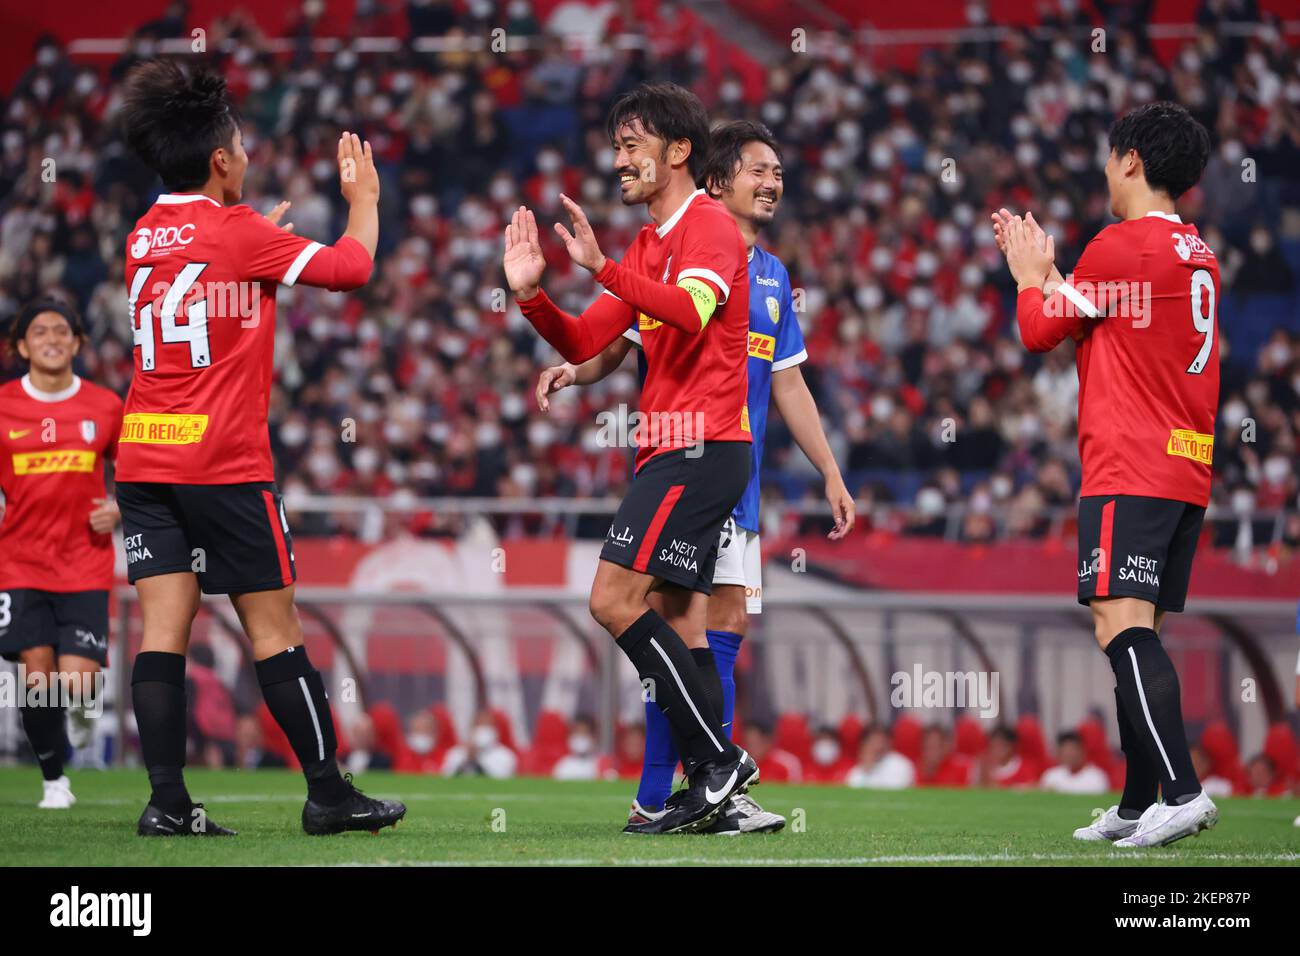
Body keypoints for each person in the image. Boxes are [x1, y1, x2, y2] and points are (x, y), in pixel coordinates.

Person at [536, 120, 854, 833]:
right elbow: (603, 341)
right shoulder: (664, 247)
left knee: (711, 624)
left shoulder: (764, 271)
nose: (772, 183)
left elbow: (786, 381)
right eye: (758, 170)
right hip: (683, 452)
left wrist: (829, 471)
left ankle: (715, 780)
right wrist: (548, 323)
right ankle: (679, 786)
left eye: (778, 172)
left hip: (718, 461)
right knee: (679, 624)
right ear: (715, 177)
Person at [116, 60, 403, 837]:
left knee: (162, 633)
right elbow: (352, 267)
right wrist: (363, 201)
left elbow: (211, 292)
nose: (245, 156)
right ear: (220, 160)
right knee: (275, 629)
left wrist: (257, 251)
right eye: (239, 146)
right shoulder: (238, 231)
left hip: (144, 458)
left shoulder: (145, 234)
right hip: (222, 465)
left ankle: (168, 805)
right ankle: (328, 794)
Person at [504, 82, 756, 833]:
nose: (619, 161)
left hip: (703, 448)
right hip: (668, 451)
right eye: (616, 146)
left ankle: (716, 762)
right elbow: (585, 343)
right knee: (678, 618)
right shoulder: (650, 244)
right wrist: (531, 297)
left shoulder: (708, 225)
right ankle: (720, 791)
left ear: (679, 151)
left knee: (612, 600)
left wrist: (602, 267)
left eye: (632, 145)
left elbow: (692, 310)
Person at [996, 101, 1220, 847]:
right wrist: (1056, 272)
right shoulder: (1195, 253)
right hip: (1185, 469)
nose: (1103, 170)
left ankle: (1183, 791)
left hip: (1131, 463)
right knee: (1138, 626)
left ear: (1130, 160)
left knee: (1118, 624)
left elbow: (1039, 332)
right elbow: (1109, 317)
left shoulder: (1121, 246)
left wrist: (1029, 277)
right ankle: (1136, 802)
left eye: (1108, 156)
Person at [0, 299, 122, 809]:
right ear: (23, 347)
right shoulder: (3, 405)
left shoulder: (105, 406)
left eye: (61, 330)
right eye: (39, 331)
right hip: (20, 563)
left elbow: (142, 471)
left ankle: (81, 710)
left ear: (76, 343)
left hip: (84, 563)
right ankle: (55, 780)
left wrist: (118, 509)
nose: (51, 338)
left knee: (74, 680)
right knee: (35, 673)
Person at [845, 725, 915, 790]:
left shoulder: (901, 764)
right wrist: (867, 771)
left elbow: (895, 790)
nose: (877, 745)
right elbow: (853, 792)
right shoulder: (857, 770)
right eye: (873, 740)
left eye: (880, 740)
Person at [1040, 731, 1109, 794]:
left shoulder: (1096, 777)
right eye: (1066, 751)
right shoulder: (1051, 776)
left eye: (1073, 750)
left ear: (1082, 750)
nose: (1070, 754)